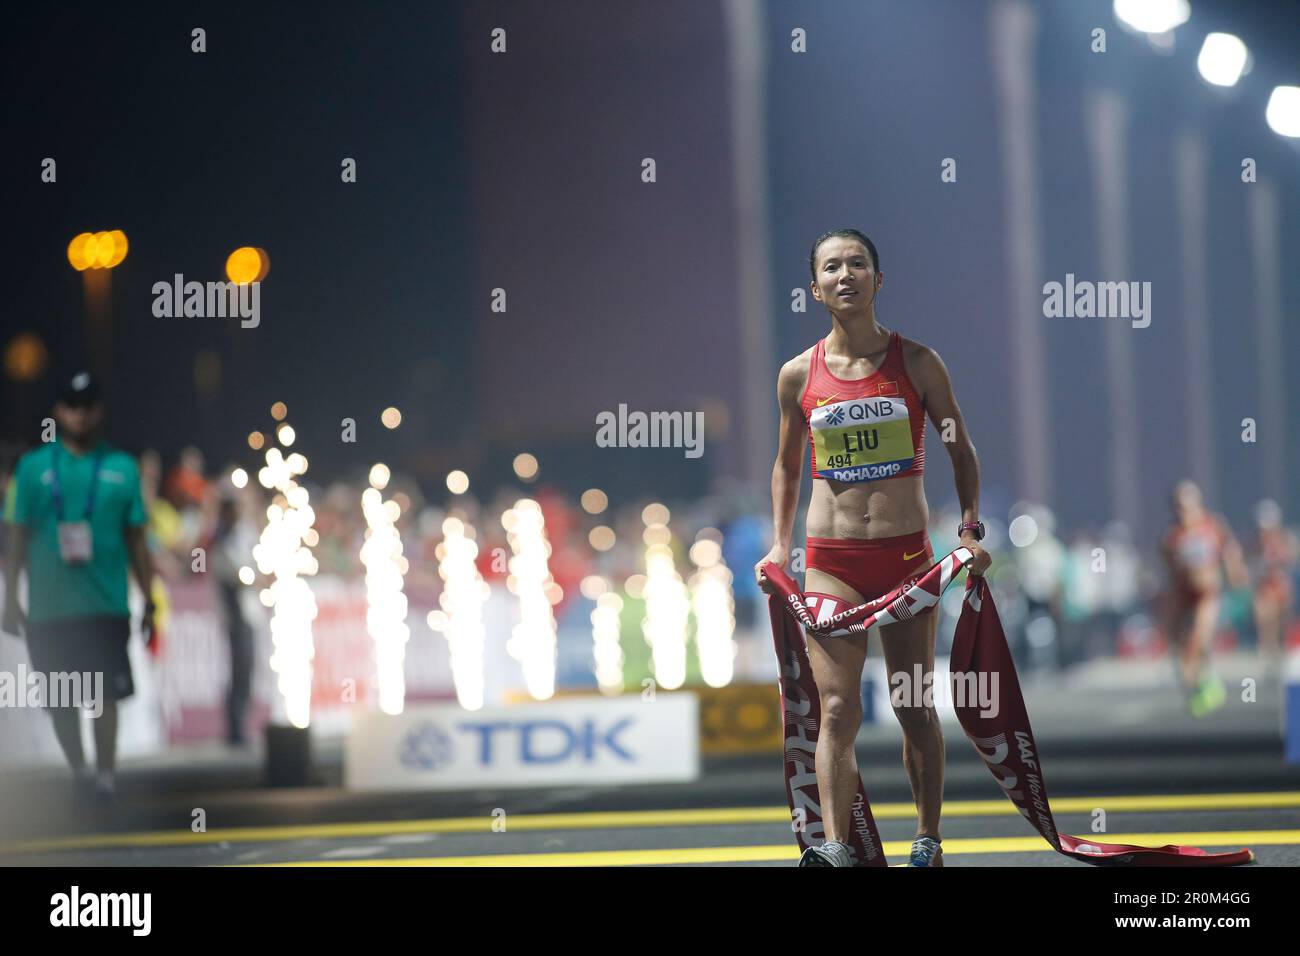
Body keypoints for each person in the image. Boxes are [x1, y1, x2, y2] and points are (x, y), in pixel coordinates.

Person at [754, 229, 989, 867]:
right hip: (833, 564)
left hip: (906, 563)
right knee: (836, 706)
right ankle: (834, 848)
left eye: (858, 263)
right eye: (833, 267)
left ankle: (927, 839)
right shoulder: (798, 375)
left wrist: (970, 528)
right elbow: (785, 467)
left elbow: (958, 447)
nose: (846, 274)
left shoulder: (917, 363)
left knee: (912, 705)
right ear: (816, 289)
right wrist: (780, 546)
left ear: (878, 281)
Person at [1, 372, 156, 806]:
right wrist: (10, 597)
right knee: (62, 696)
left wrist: (149, 599)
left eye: (88, 405)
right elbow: (15, 537)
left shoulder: (122, 468)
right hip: (51, 609)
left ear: (99, 409)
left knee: (104, 693)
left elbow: (138, 540)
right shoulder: (32, 470)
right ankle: (81, 771)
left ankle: (106, 776)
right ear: (58, 410)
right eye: (72, 405)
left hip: (106, 604)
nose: (80, 414)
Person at [1159, 480, 1248, 717]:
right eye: (1179, 506)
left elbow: (1229, 551)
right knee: (1180, 648)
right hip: (1184, 594)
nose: (1185, 510)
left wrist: (1235, 573)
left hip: (1209, 594)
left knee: (1198, 638)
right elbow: (1169, 570)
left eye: (1189, 504)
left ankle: (1206, 683)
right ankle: (1203, 684)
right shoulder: (1171, 536)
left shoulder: (1213, 525)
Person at [1250, 499, 1296, 670]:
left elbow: (1288, 560)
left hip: (1280, 587)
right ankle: (1265, 647)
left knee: (1279, 619)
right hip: (1264, 587)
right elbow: (1252, 564)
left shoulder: (1283, 539)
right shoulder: (1255, 543)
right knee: (1263, 615)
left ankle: (1279, 647)